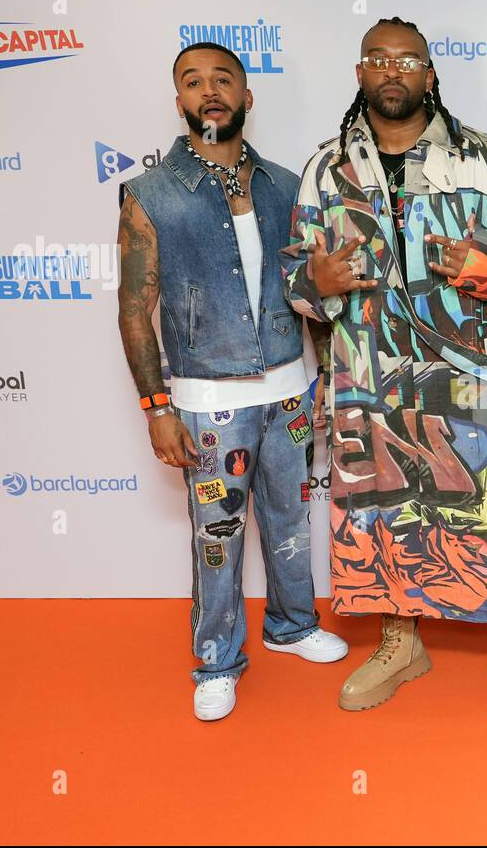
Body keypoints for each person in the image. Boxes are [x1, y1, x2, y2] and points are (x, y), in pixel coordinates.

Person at [282, 17, 487, 734]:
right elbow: (296, 280)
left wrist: (486, 267)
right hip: (368, 381)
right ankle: (401, 641)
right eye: (378, 58)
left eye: (408, 60)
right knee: (382, 514)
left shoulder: (485, 161)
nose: (393, 70)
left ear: (430, 74)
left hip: (467, 380)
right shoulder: (325, 169)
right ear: (359, 72)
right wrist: (312, 279)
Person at [117, 41, 346, 723]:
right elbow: (134, 309)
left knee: (290, 520)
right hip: (209, 401)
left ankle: (294, 624)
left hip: (291, 390)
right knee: (217, 536)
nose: (209, 91)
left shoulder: (284, 183)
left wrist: (327, 376)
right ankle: (217, 659)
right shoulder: (150, 194)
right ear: (179, 100)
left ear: (248, 97)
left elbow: (311, 289)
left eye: (224, 80)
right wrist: (157, 407)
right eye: (193, 82)